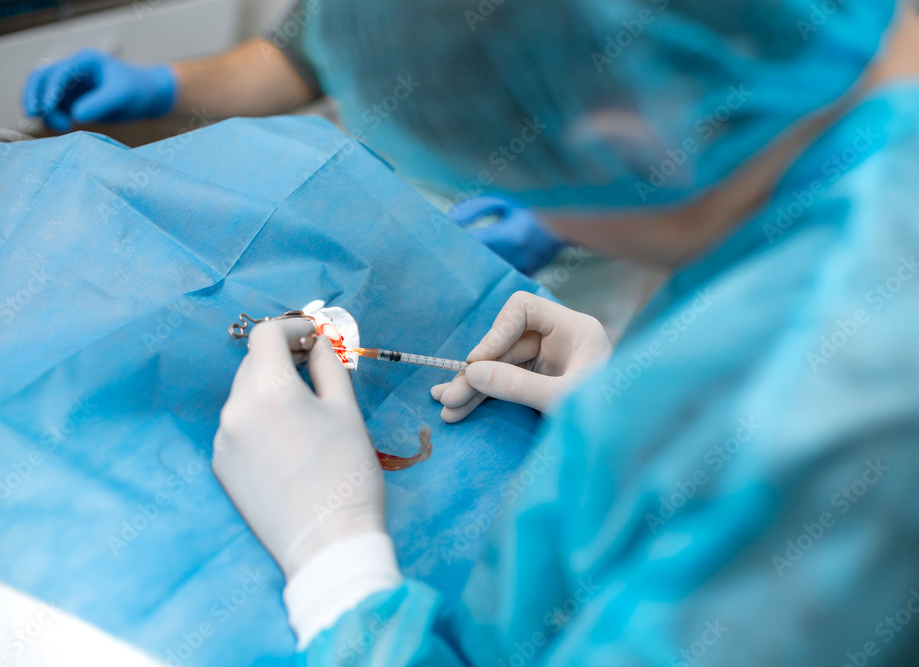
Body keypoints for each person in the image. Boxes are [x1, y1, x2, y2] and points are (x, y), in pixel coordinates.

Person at [211, 0, 919, 664]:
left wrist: (335, 564)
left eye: (525, 182)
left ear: (626, 145)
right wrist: (633, 395)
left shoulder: (817, 420)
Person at [20, 4, 564, 275]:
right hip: (393, 235)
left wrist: (566, 217)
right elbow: (298, 57)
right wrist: (160, 86)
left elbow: (647, 119)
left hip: (579, 267)